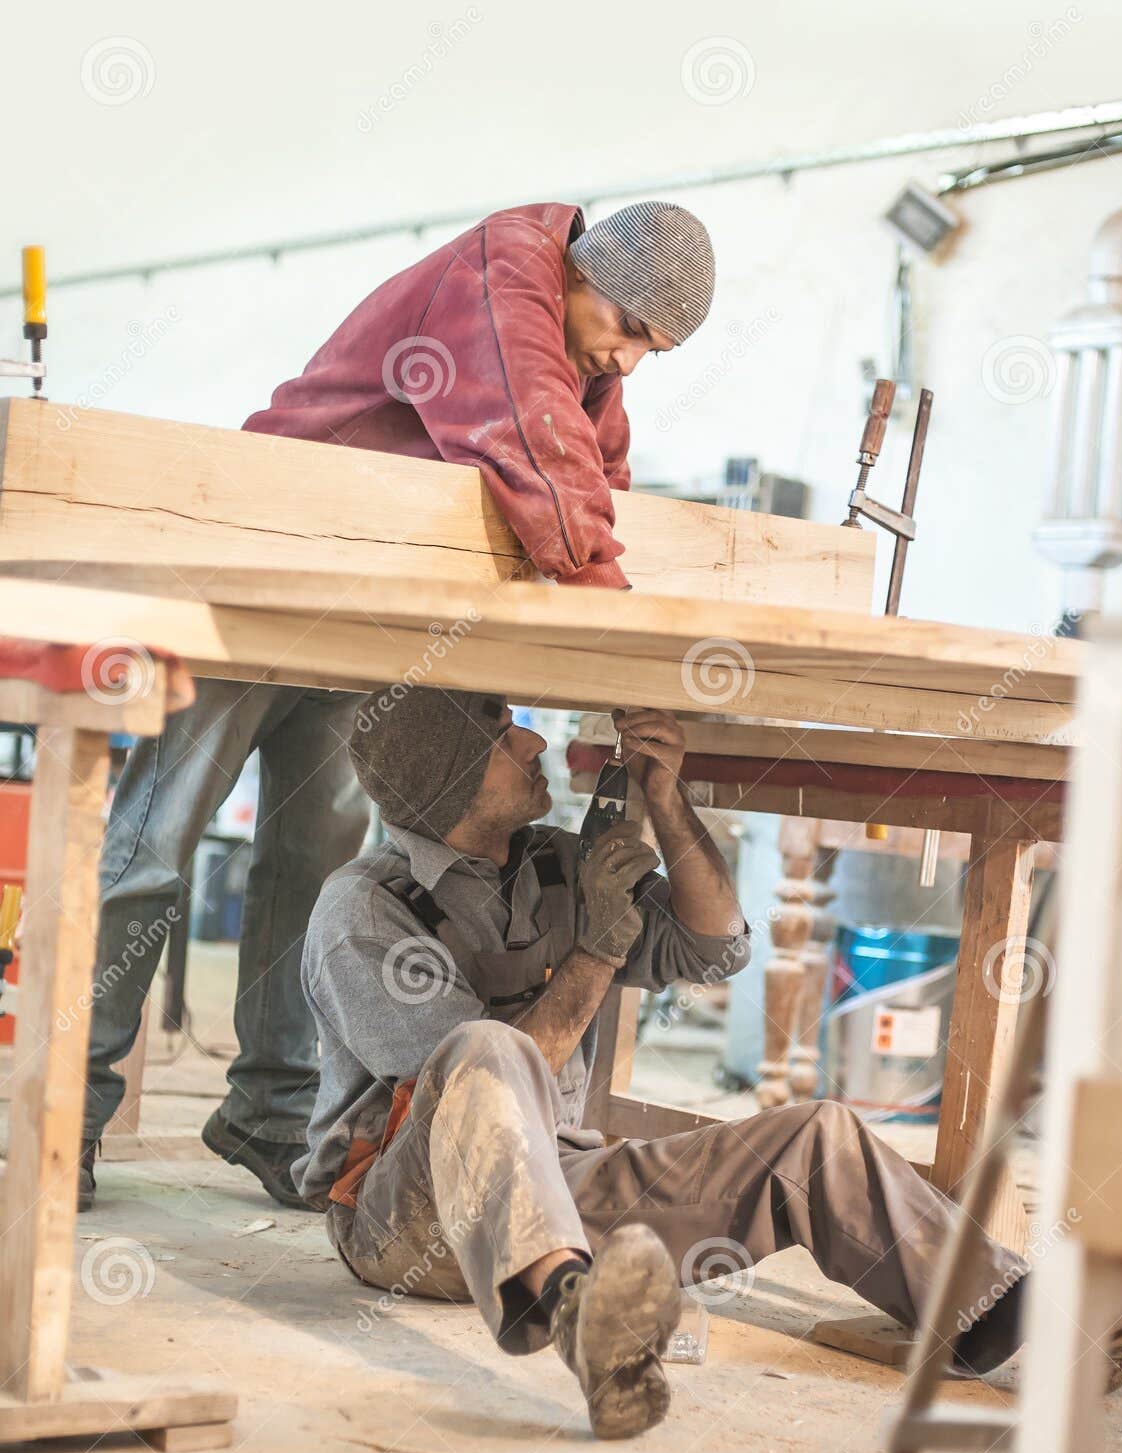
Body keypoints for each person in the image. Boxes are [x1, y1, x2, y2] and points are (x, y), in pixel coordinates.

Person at [78, 200, 716, 1210]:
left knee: (311, 858)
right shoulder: (504, 284)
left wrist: (608, 599)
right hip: (254, 572)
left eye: (655, 351)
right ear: (585, 274)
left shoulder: (583, 355)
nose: (631, 362)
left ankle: (270, 1110)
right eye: (631, 332)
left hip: (358, 612)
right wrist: (620, 640)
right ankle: (60, 1115)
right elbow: (546, 464)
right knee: (153, 846)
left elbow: (599, 479)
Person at [299, 685, 1032, 1441]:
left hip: (560, 1181)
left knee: (812, 1140)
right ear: (449, 774)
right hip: (411, 1217)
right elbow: (481, 1104)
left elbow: (717, 949)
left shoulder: (549, 862)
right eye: (504, 735)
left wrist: (665, 796)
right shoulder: (363, 910)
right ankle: (576, 1310)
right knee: (489, 1049)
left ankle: (1003, 1310)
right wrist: (599, 951)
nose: (536, 746)